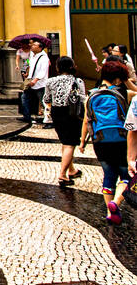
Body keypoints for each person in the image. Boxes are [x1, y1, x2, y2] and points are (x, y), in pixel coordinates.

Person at [81, 60, 131, 224]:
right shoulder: (123, 93)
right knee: (126, 176)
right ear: (118, 78)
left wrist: (82, 141)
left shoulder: (90, 95)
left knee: (109, 175)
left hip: (100, 141)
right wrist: (127, 81)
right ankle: (115, 203)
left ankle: (111, 214)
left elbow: (87, 121)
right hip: (121, 139)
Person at [43, 55, 86, 188]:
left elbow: (46, 99)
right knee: (70, 144)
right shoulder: (77, 81)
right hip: (72, 113)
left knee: (65, 142)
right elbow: (82, 98)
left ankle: (72, 170)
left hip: (57, 112)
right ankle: (62, 174)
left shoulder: (50, 81)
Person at [19, 38, 51, 125]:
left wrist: (36, 80)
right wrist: (27, 73)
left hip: (40, 83)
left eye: (34, 45)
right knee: (24, 98)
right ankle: (26, 116)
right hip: (30, 81)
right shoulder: (32, 55)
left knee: (43, 101)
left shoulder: (44, 58)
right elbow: (31, 65)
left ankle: (48, 119)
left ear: (40, 48)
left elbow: (43, 71)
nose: (31, 46)